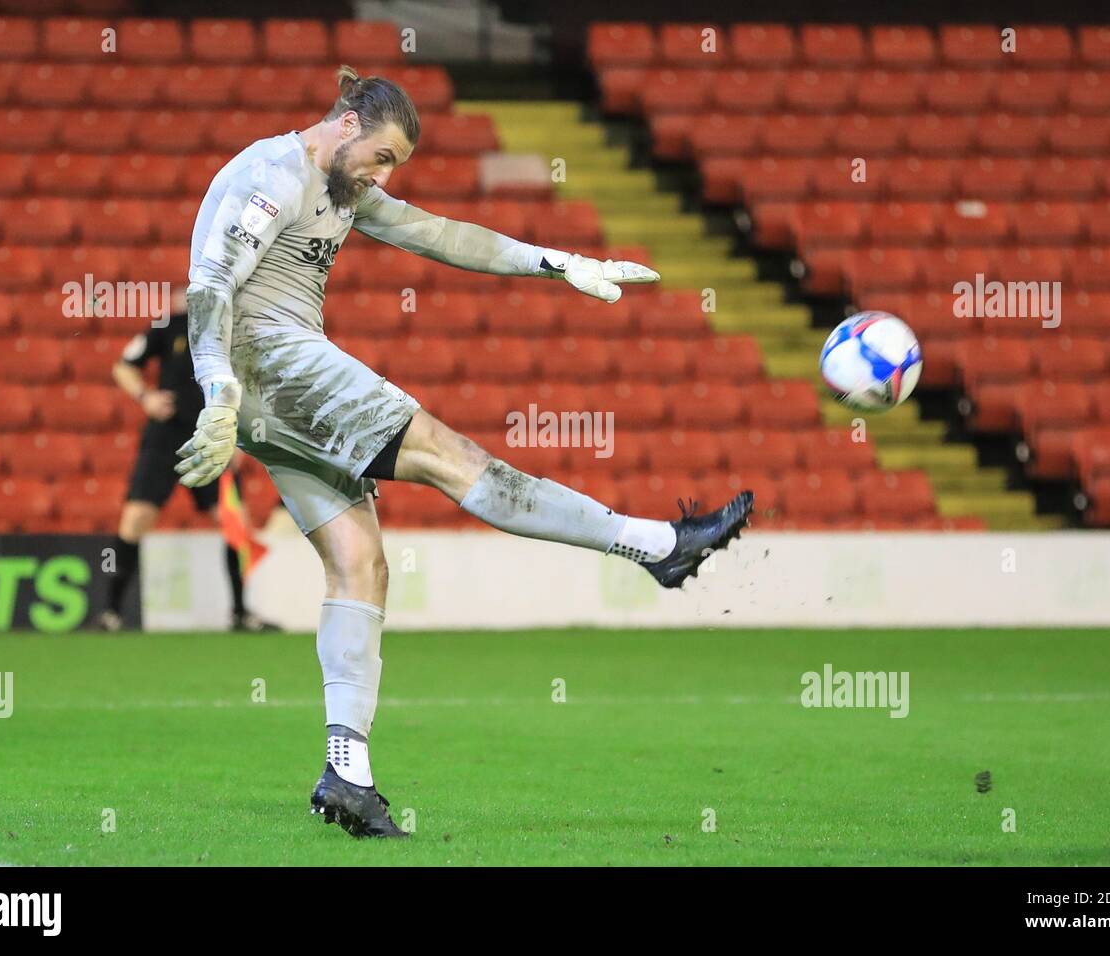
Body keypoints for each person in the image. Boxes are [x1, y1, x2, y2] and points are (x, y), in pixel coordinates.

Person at [179, 65, 753, 838]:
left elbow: (440, 235)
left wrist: (555, 262)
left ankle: (346, 775)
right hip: (271, 364)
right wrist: (216, 385)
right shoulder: (272, 174)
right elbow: (211, 282)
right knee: (456, 459)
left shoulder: (341, 187)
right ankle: (657, 545)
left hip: (266, 401)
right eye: (382, 157)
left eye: (395, 168)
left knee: (360, 565)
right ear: (346, 123)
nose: (384, 177)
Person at [96, 290, 277, 633]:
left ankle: (240, 613)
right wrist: (145, 396)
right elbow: (123, 366)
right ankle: (111, 613)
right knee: (134, 520)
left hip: (213, 439)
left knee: (234, 523)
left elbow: (249, 387)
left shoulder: (235, 334)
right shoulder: (169, 325)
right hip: (165, 439)